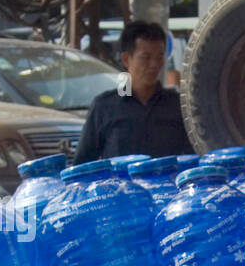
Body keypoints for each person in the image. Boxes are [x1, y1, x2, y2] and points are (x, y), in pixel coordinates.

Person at [72, 20, 194, 164]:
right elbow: (83, 165)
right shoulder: (104, 107)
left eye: (159, 57)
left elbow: (193, 158)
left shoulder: (177, 106)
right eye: (145, 58)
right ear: (126, 59)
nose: (154, 65)